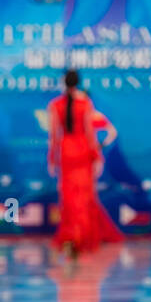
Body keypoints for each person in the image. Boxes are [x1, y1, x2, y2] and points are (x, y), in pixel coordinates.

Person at [48, 69, 121, 256]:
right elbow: (89, 134)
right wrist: (97, 155)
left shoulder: (55, 105)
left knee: (69, 198)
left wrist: (52, 159)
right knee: (83, 197)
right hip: (82, 152)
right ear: (78, 82)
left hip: (66, 152)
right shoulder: (85, 103)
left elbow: (54, 136)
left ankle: (71, 236)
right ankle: (82, 237)